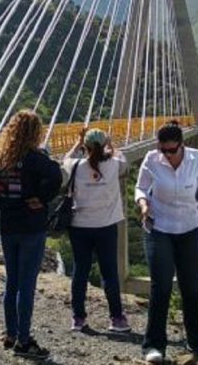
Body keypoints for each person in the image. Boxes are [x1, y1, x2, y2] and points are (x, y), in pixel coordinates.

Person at [135, 120, 198, 364]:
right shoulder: (152, 159)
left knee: (192, 288)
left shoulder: (196, 158)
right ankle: (154, 346)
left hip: (189, 227)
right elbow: (141, 187)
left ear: (182, 145)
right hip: (159, 227)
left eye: (172, 150)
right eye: (163, 150)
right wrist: (143, 204)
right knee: (161, 286)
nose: (167, 155)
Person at [0, 109, 62, 359]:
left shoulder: (0, 158)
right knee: (27, 284)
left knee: (11, 281)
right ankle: (24, 342)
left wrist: (4, 203)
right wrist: (40, 198)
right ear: (36, 132)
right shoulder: (36, 159)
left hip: (8, 226)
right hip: (32, 226)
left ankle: (11, 333)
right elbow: (56, 176)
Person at [62, 128, 132, 333]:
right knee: (109, 272)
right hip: (106, 226)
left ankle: (78, 318)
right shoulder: (114, 165)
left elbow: (66, 158)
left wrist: (77, 143)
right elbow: (123, 161)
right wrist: (112, 144)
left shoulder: (75, 166)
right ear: (104, 146)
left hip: (80, 227)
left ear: (86, 147)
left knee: (80, 272)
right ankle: (117, 319)